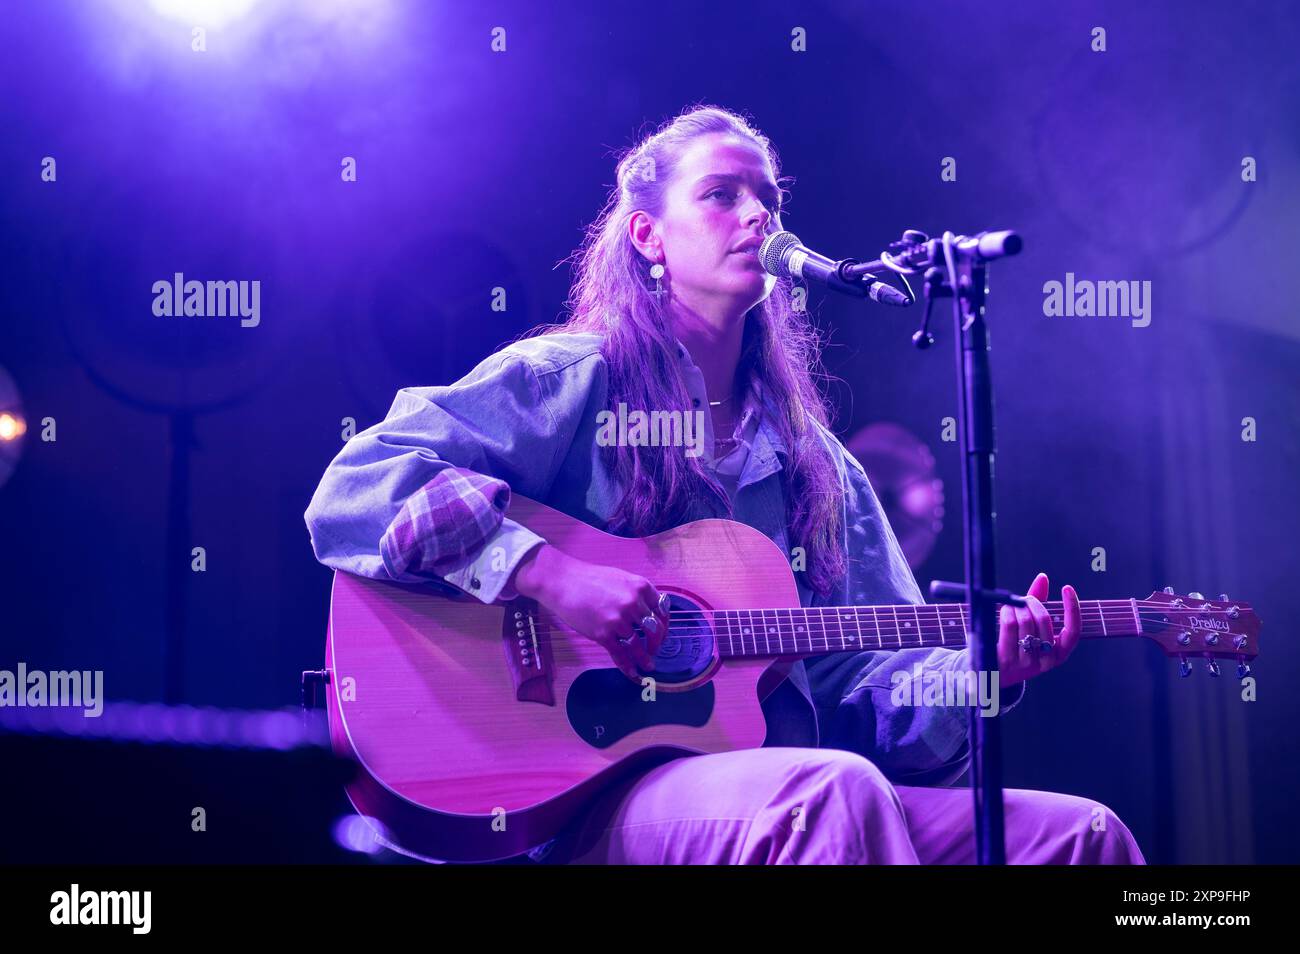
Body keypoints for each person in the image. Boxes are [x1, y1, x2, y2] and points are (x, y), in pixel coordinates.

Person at [303, 104, 1145, 865]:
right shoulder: (569, 380)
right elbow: (358, 488)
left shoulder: (820, 466)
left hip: (763, 790)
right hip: (583, 799)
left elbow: (856, 699)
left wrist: (976, 671)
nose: (757, 216)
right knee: (833, 795)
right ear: (648, 237)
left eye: (768, 200)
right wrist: (550, 576)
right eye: (720, 194)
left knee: (1081, 837)